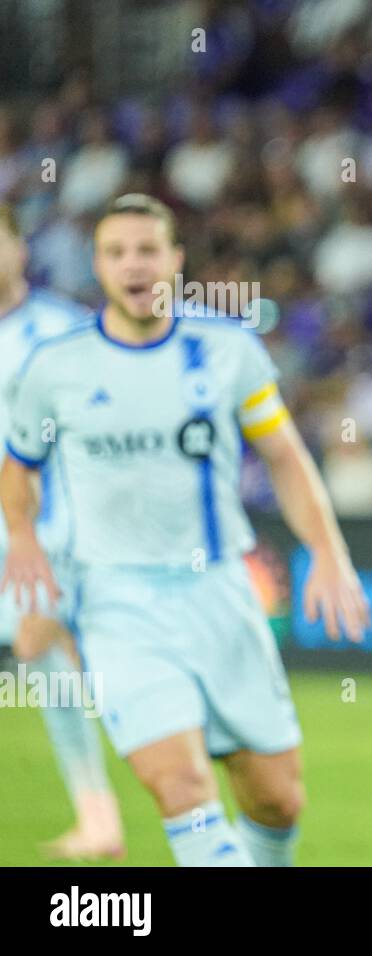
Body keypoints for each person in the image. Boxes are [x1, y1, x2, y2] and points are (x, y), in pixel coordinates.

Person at [1, 194, 371, 866]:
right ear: (99, 265)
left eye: (147, 250)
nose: (133, 265)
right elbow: (17, 465)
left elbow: (285, 456)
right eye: (116, 252)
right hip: (116, 605)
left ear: (175, 260)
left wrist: (329, 552)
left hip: (219, 595)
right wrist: (23, 538)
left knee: (276, 798)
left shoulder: (228, 350)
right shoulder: (57, 366)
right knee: (180, 783)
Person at [0, 203, 124, 860]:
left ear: (20, 248)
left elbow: (94, 447)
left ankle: (106, 815)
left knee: (48, 656)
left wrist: (61, 551)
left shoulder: (61, 333)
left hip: (44, 539)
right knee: (48, 664)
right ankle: (100, 821)